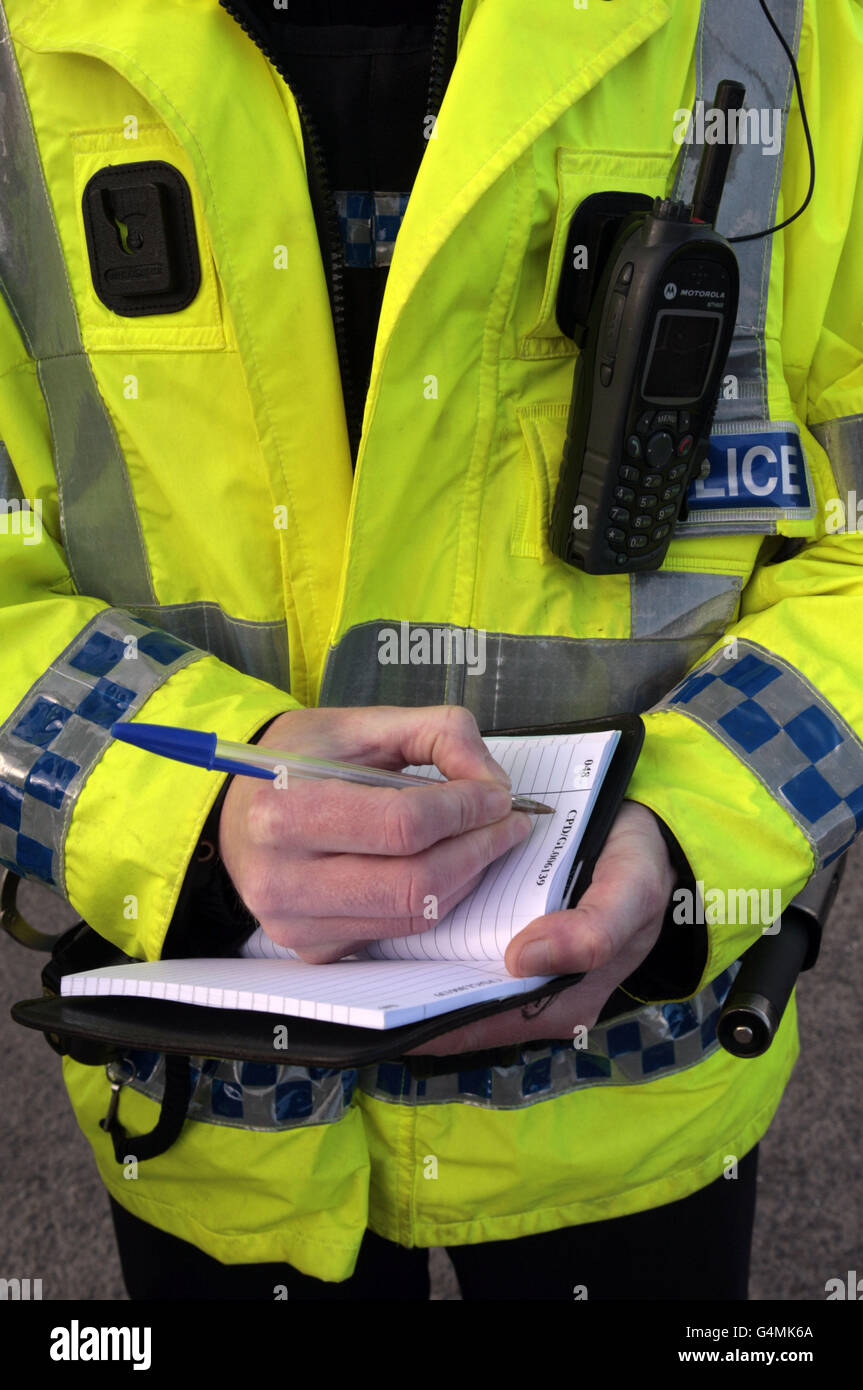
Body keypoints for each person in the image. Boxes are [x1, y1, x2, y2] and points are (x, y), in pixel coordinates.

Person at [0, 0, 860, 1300]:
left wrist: (691, 839)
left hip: (635, 1099)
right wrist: (179, 807)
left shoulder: (801, 22)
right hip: (221, 1124)